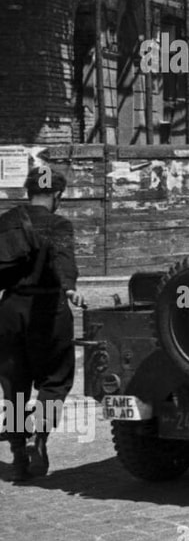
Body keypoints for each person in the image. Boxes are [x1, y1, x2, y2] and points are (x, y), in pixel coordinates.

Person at [0, 166, 86, 482]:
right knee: (55, 380)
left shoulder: (7, 220)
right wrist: (70, 287)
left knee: (14, 385)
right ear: (58, 195)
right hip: (49, 309)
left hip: (11, 309)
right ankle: (39, 434)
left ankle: (18, 454)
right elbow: (63, 257)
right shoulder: (59, 224)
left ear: (29, 191)